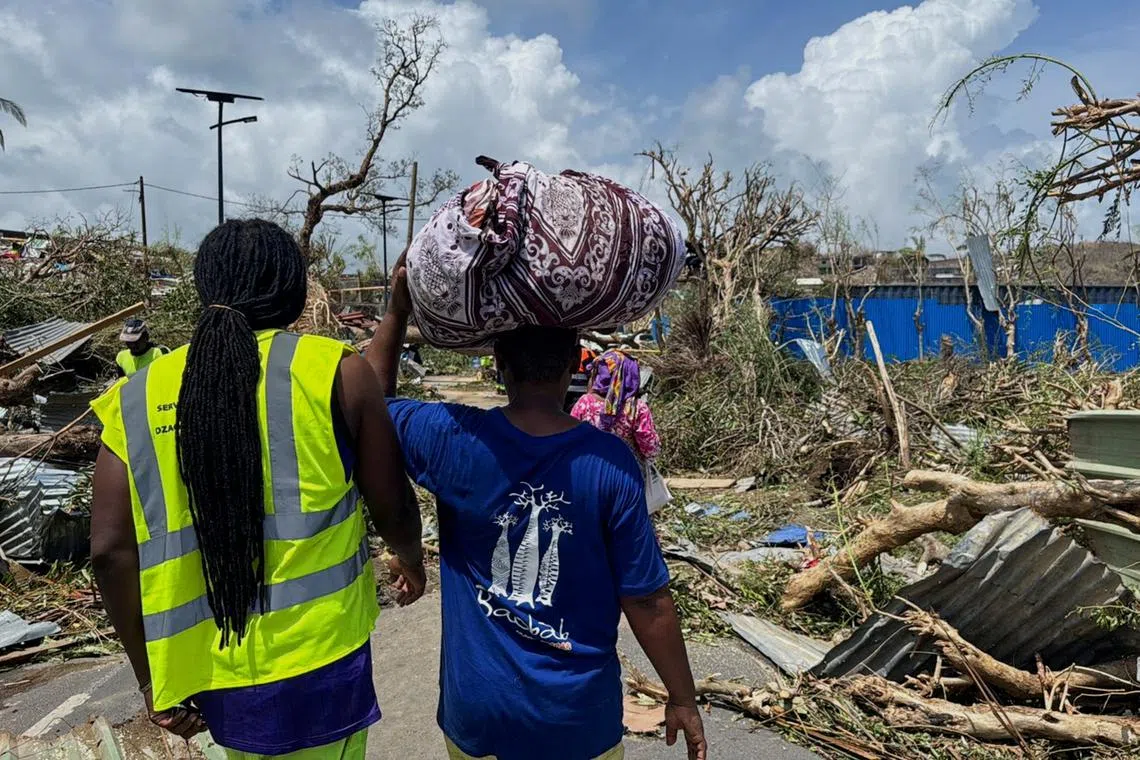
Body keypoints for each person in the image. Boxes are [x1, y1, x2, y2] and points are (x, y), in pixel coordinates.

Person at [89, 220, 426, 758]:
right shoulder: (332, 370)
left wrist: (152, 678)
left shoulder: (135, 397)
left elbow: (109, 553)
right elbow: (394, 507)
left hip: (208, 669)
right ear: (293, 293)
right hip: (318, 657)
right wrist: (411, 560)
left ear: (205, 288)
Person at [366, 256, 707, 760]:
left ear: (499, 364)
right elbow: (647, 601)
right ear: (575, 364)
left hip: (478, 714)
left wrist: (397, 309)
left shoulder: (453, 438)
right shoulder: (608, 462)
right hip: (575, 720)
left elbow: (371, 407)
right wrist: (682, 697)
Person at [570, 350, 661, 465]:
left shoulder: (584, 403)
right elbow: (650, 447)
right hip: (627, 472)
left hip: (590, 469)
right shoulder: (635, 408)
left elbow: (572, 437)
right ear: (630, 375)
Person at [563, 344, 597, 413]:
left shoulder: (586, 353)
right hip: (573, 393)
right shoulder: (587, 352)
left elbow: (592, 375)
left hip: (573, 393)